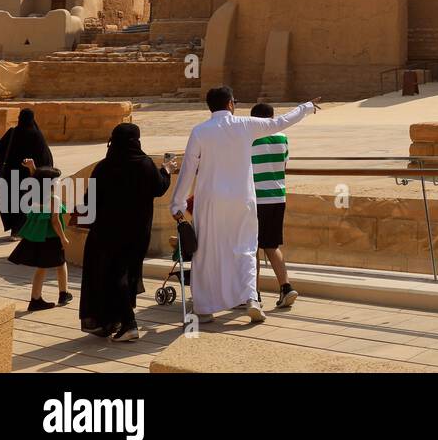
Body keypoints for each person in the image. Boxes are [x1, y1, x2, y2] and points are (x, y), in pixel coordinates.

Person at [169, 87, 319, 324]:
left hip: (210, 201)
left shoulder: (199, 132)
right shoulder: (245, 125)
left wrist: (177, 204)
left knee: (206, 252)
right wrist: (306, 108)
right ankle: (251, 298)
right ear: (230, 103)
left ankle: (205, 307)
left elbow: (188, 169)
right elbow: (279, 122)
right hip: (242, 199)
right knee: (246, 248)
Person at [79, 123, 173, 342]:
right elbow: (159, 188)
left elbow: (88, 202)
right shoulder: (145, 165)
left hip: (106, 233)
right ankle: (116, 320)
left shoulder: (104, 167)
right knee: (123, 273)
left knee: (112, 274)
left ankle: (128, 323)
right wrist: (166, 170)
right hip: (137, 233)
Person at [249, 103, 299, 309]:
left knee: (251, 248)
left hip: (256, 198)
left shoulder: (249, 139)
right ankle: (286, 287)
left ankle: (254, 294)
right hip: (278, 197)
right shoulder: (282, 137)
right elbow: (284, 165)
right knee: (271, 245)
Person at [8, 158, 69, 313]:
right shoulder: (53, 198)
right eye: (57, 180)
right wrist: (63, 237)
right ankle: (61, 294)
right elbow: (55, 221)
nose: (59, 182)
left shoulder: (35, 194)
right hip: (51, 237)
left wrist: (32, 168)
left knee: (43, 267)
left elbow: (38, 181)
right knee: (60, 264)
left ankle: (39, 298)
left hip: (39, 236)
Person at [0, 108, 53, 236]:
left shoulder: (13, 133)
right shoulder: (37, 136)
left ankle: (15, 229)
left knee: (10, 201)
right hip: (29, 177)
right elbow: (46, 158)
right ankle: (22, 230)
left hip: (11, 176)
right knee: (26, 202)